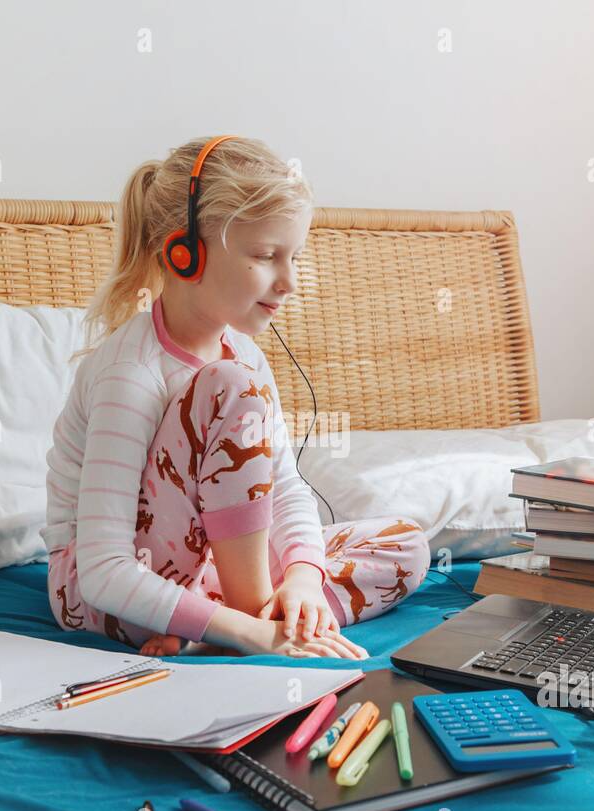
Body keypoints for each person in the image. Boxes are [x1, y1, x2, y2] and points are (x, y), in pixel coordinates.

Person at [42, 135, 429, 659]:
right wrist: (255, 634)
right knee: (230, 386)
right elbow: (104, 571)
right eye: (268, 256)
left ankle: (232, 620)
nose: (289, 281)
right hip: (100, 590)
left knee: (408, 545)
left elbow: (285, 485)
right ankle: (246, 624)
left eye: (294, 257)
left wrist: (304, 579)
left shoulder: (245, 353)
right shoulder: (130, 374)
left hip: (209, 572)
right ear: (185, 253)